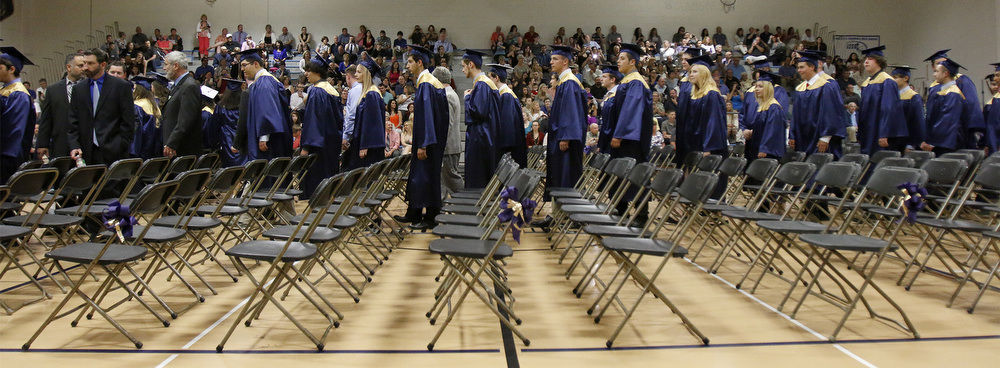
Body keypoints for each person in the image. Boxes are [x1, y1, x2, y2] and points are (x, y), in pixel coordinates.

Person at [392, 46, 450, 230]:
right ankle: (414, 212)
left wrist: (423, 144)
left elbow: (426, 116)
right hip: (432, 140)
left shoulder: (426, 83)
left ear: (419, 62)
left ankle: (430, 217)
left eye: (410, 62)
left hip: (427, 142)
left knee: (426, 178)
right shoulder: (430, 82)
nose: (407, 65)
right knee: (420, 176)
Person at [533, 45, 587, 228]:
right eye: (551, 59)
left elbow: (570, 113)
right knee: (558, 175)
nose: (551, 61)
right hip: (560, 137)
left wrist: (566, 137)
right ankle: (557, 215)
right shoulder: (564, 82)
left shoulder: (570, 82)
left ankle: (570, 216)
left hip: (565, 140)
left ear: (565, 61)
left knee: (566, 176)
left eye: (555, 59)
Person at [607, 43, 653, 221]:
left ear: (633, 61)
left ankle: (641, 214)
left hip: (631, 139)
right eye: (618, 58)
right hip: (626, 137)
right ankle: (621, 208)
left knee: (636, 174)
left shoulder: (636, 82)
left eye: (622, 59)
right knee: (623, 174)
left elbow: (630, 110)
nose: (618, 61)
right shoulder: (627, 81)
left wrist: (619, 134)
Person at [68, 48, 135, 165]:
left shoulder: (120, 86)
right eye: (84, 63)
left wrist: (121, 144)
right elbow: (73, 120)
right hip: (87, 151)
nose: (85, 67)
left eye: (90, 63)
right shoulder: (79, 88)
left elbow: (128, 119)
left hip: (114, 150)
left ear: (103, 64)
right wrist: (74, 145)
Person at [299, 57, 344, 198]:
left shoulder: (317, 91)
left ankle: (316, 215)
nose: (306, 74)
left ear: (317, 72)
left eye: (308, 70)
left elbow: (313, 122)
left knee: (317, 187)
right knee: (329, 182)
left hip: (318, 146)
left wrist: (306, 146)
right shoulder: (332, 90)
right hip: (332, 143)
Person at [236, 48, 292, 161]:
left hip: (269, 143)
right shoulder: (266, 81)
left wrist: (264, 136)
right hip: (273, 138)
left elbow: (268, 110)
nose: (242, 69)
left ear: (255, 64)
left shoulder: (264, 83)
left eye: (244, 65)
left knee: (268, 174)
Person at [685, 56, 729, 198]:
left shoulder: (711, 94)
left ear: (704, 74)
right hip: (699, 143)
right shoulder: (696, 94)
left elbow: (713, 122)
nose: (691, 74)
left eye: (695, 71)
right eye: (690, 71)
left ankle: (713, 213)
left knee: (712, 180)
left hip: (711, 146)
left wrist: (708, 147)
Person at [925, 49, 985, 150]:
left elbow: (971, 105)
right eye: (939, 63)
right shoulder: (935, 86)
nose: (943, 64)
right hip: (937, 133)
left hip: (956, 134)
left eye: (945, 62)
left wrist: (972, 130)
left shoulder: (961, 81)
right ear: (933, 66)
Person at [790, 50, 846, 158]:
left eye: (802, 67)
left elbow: (831, 113)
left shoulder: (826, 86)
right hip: (803, 138)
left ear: (812, 67)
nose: (799, 71)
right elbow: (795, 116)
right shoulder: (800, 88)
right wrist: (793, 135)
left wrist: (825, 137)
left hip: (819, 139)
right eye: (798, 68)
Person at [460, 49, 500, 188]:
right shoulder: (483, 83)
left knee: (479, 177)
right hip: (485, 135)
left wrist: (467, 98)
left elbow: (478, 112)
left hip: (482, 137)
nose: (462, 69)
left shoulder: (482, 84)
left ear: (471, 64)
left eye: (463, 66)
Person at [857, 46, 907, 154]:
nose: (866, 62)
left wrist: (884, 133)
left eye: (870, 59)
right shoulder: (867, 83)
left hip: (879, 133)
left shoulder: (887, 81)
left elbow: (888, 109)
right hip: (868, 132)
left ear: (879, 60)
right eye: (865, 59)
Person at [37, 53, 85, 160]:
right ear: (69, 67)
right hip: (60, 142)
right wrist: (42, 144)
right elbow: (46, 119)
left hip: (84, 142)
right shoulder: (53, 90)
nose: (84, 68)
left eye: (85, 65)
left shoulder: (88, 87)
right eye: (80, 65)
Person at [0, 47, 35, 183]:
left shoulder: (19, 94)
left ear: (11, 69)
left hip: (8, 156)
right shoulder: (5, 90)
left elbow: (11, 130)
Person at [345, 58, 387, 169]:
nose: (356, 74)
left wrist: (365, 145)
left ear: (366, 74)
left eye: (359, 72)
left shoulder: (372, 94)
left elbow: (372, 124)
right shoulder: (369, 92)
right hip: (364, 144)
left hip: (368, 148)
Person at [160, 51, 203, 158]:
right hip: (176, 148)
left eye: (166, 64)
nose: (164, 68)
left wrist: (172, 143)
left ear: (175, 66)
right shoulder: (179, 84)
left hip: (183, 149)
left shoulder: (189, 86)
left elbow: (186, 120)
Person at [431, 66, 465, 197]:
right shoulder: (450, 93)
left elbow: (447, 125)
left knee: (452, 179)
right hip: (450, 145)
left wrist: (440, 146)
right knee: (444, 180)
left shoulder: (447, 95)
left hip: (448, 146)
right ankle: (442, 206)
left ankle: (465, 202)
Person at [921, 59, 966, 155]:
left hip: (945, 143)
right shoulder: (942, 91)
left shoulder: (953, 93)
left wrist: (933, 142)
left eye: (936, 71)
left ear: (946, 73)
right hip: (938, 142)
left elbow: (946, 121)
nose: (934, 75)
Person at [487, 63, 528, 167]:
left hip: (508, 148)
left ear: (496, 78)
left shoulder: (506, 96)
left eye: (489, 77)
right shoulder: (504, 94)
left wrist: (503, 147)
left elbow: (507, 124)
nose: (488, 81)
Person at [742, 71, 786, 161]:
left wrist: (765, 149)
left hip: (767, 153)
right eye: (756, 86)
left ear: (768, 89)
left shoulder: (773, 107)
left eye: (761, 86)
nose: (756, 89)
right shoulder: (763, 106)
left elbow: (772, 131)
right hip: (757, 149)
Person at [890, 66, 925, 152]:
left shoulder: (913, 97)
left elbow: (917, 122)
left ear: (906, 78)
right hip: (892, 141)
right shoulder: (892, 96)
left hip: (906, 142)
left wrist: (912, 144)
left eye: (895, 77)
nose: (892, 80)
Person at [127, 76, 163, 159]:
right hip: (153, 153)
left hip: (140, 151)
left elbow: (136, 133)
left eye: (135, 88)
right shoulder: (154, 105)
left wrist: (132, 153)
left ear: (139, 90)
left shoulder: (137, 106)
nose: (133, 90)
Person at [213, 78, 244, 166]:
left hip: (227, 140)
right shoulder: (245, 105)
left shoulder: (221, 107)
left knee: (229, 169)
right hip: (242, 140)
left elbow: (214, 126)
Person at [596, 64, 621, 154]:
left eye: (604, 76)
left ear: (612, 79)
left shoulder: (618, 95)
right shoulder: (607, 95)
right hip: (606, 135)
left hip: (613, 137)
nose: (601, 79)